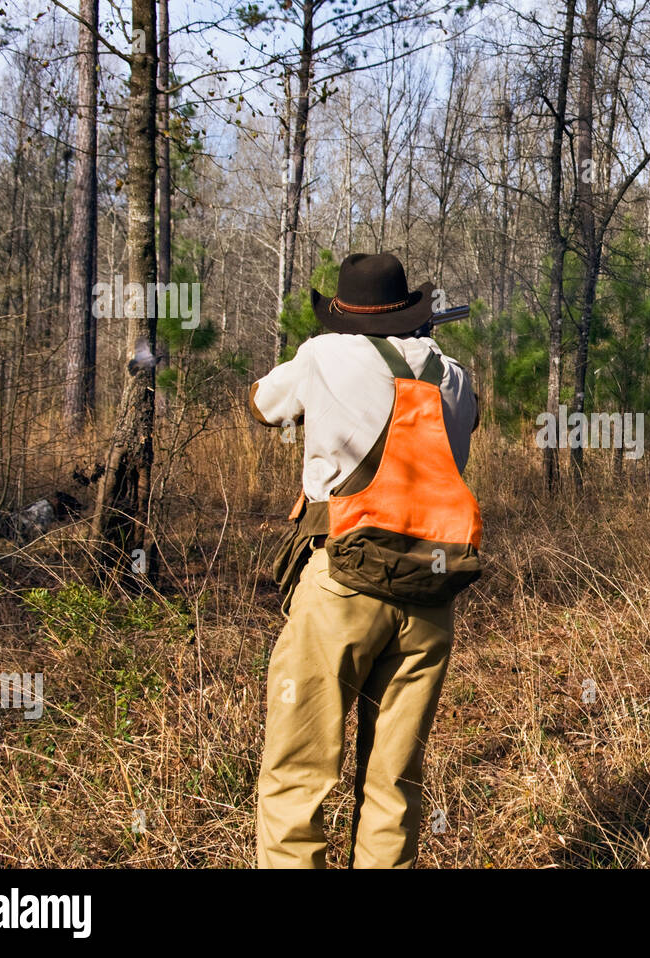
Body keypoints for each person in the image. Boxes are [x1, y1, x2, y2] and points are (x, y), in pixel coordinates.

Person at [249, 252, 481, 868]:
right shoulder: (454, 376)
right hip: (431, 592)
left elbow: (262, 404)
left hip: (342, 585)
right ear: (411, 314)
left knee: (298, 775)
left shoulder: (322, 355)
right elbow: (468, 421)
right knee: (394, 784)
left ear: (344, 315)